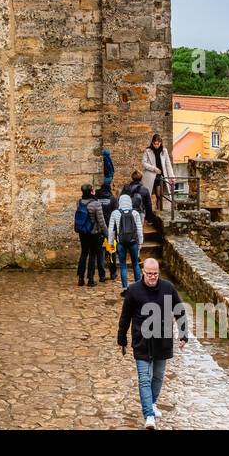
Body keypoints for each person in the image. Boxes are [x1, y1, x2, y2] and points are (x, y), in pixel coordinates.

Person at [117, 258, 188, 429]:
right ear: (143, 272)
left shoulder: (168, 288)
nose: (152, 277)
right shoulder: (133, 290)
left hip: (162, 341)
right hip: (141, 342)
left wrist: (183, 334)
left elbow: (179, 310)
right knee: (144, 379)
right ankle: (149, 415)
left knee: (158, 377)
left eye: (155, 273)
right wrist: (122, 338)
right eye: (149, 274)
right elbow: (125, 316)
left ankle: (153, 403)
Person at [106, 194, 144, 293]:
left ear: (120, 202)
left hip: (121, 242)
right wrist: (140, 242)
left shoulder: (115, 213)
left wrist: (110, 243)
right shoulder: (135, 213)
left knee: (123, 265)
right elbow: (139, 229)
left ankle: (125, 289)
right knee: (135, 264)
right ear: (130, 202)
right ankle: (139, 289)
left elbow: (111, 230)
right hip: (133, 242)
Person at [73, 184, 107, 286]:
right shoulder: (96, 204)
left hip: (83, 232)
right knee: (92, 254)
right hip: (94, 233)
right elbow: (101, 222)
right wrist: (108, 234)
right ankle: (91, 279)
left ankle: (80, 278)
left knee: (83, 253)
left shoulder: (79, 202)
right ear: (91, 192)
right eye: (93, 190)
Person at [141, 134, 175, 212]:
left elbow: (168, 164)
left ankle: (159, 210)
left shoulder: (164, 150)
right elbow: (144, 163)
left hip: (161, 175)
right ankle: (149, 212)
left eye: (158, 144)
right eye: (154, 144)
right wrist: (154, 169)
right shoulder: (148, 150)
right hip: (151, 175)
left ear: (160, 143)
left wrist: (172, 176)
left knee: (159, 194)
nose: (156, 145)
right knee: (148, 195)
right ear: (152, 143)